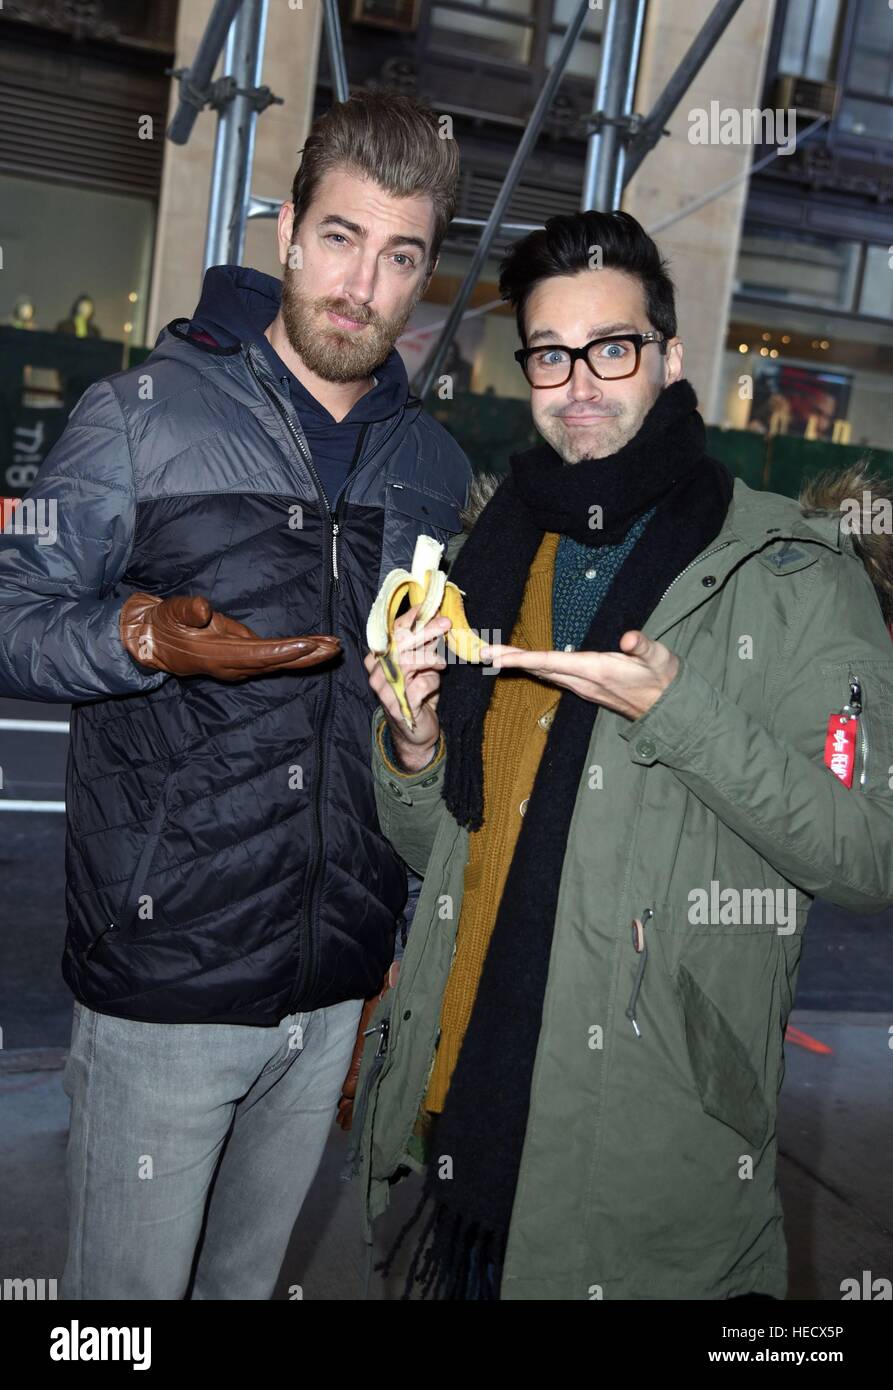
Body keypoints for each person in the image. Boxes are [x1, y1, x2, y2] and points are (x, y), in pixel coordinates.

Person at [355, 209, 893, 1300]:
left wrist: (679, 713)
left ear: (669, 358)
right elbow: (440, 850)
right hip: (466, 1125)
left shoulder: (790, 577)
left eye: (613, 347)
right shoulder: (488, 556)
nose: (578, 382)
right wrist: (413, 742)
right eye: (550, 353)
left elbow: (866, 853)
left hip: (649, 1161)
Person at [0, 87, 471, 1300]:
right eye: (339, 237)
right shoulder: (139, 421)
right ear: (286, 234)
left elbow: (426, 706)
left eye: (399, 254)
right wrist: (143, 632)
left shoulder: (432, 468)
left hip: (327, 994)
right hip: (167, 981)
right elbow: (12, 613)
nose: (362, 283)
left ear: (424, 273)